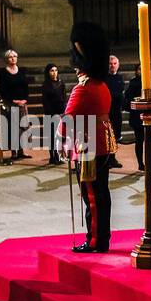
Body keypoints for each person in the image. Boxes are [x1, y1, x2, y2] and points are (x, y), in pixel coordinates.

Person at [63, 21, 116, 253]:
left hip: (88, 146)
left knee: (92, 197)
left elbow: (67, 120)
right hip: (102, 144)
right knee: (101, 193)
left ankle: (95, 240)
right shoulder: (101, 85)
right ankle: (102, 237)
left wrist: (62, 143)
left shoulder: (82, 88)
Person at [0, 50, 31, 160]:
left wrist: (25, 99)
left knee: (23, 128)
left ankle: (21, 151)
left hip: (22, 104)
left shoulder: (21, 71)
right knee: (13, 128)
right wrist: (14, 100)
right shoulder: (3, 73)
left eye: (15, 56)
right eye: (10, 57)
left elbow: (26, 86)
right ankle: (14, 152)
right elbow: (2, 90)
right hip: (10, 104)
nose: (13, 58)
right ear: (7, 59)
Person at [124, 63, 150, 171]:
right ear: (136, 71)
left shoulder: (150, 82)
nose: (141, 71)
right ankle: (141, 163)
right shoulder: (133, 83)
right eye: (140, 69)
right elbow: (128, 100)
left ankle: (149, 162)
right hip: (137, 117)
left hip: (149, 116)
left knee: (148, 142)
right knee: (139, 141)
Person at [42, 63, 68, 166]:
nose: (54, 73)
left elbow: (64, 98)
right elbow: (45, 101)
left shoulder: (61, 83)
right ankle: (52, 157)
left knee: (59, 136)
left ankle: (58, 156)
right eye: (52, 71)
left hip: (60, 112)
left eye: (56, 70)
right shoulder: (46, 85)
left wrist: (63, 112)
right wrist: (52, 114)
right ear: (48, 73)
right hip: (50, 113)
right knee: (51, 136)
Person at [105, 54, 126, 153]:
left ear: (118, 65)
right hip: (108, 111)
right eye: (110, 64)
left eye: (114, 63)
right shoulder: (104, 78)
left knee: (116, 135)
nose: (112, 66)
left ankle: (113, 157)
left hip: (117, 111)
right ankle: (108, 159)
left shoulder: (120, 77)